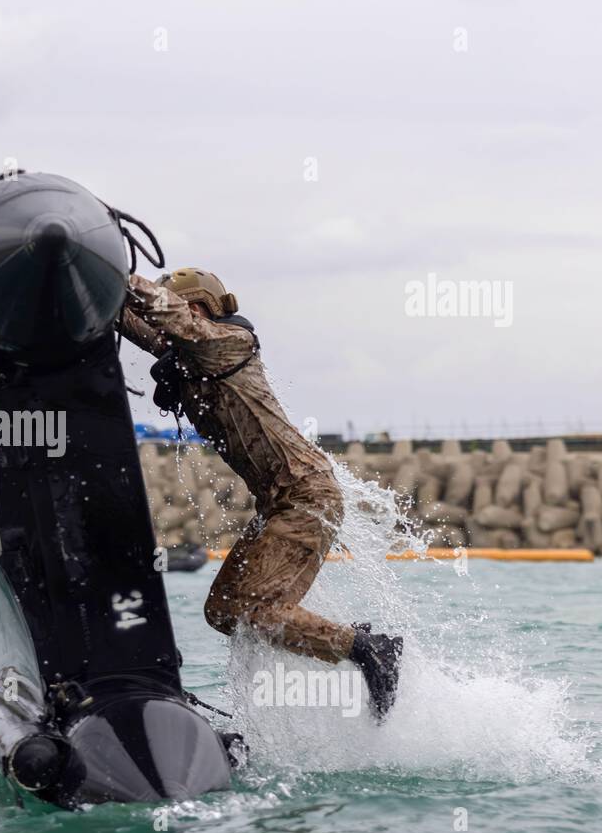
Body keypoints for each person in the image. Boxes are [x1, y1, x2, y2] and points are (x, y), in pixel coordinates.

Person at [120, 268, 403, 720]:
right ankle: (343, 647)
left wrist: (119, 274)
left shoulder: (227, 345)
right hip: (279, 502)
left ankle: (369, 648)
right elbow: (139, 323)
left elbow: (165, 314)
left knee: (260, 611)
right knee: (224, 611)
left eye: (179, 314)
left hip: (306, 496)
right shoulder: (191, 355)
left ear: (196, 310)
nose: (164, 331)